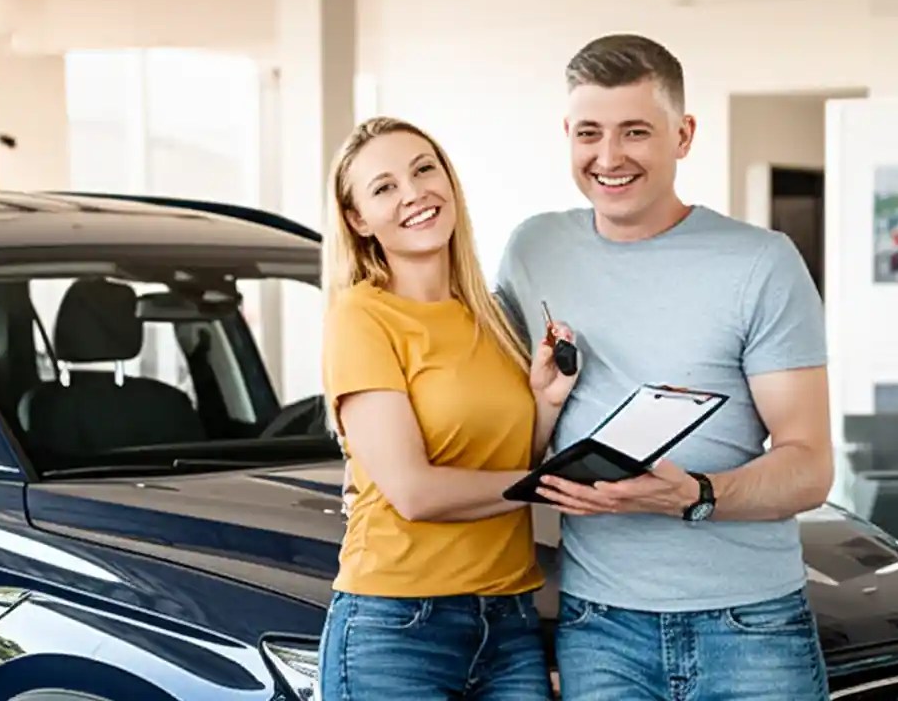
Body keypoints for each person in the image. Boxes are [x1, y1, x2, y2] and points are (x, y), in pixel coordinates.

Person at [494, 34, 835, 700]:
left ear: (683, 135)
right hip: (599, 627)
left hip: (750, 623)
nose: (609, 157)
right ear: (567, 134)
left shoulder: (761, 263)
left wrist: (694, 496)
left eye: (636, 132)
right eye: (589, 132)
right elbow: (507, 427)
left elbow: (809, 465)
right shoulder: (534, 248)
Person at [317, 115, 577, 700]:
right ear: (359, 220)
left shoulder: (489, 314)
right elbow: (415, 491)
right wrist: (554, 485)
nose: (414, 194)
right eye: (384, 188)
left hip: (509, 621)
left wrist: (544, 401)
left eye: (423, 169)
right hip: (399, 626)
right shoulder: (362, 317)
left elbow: (503, 463)